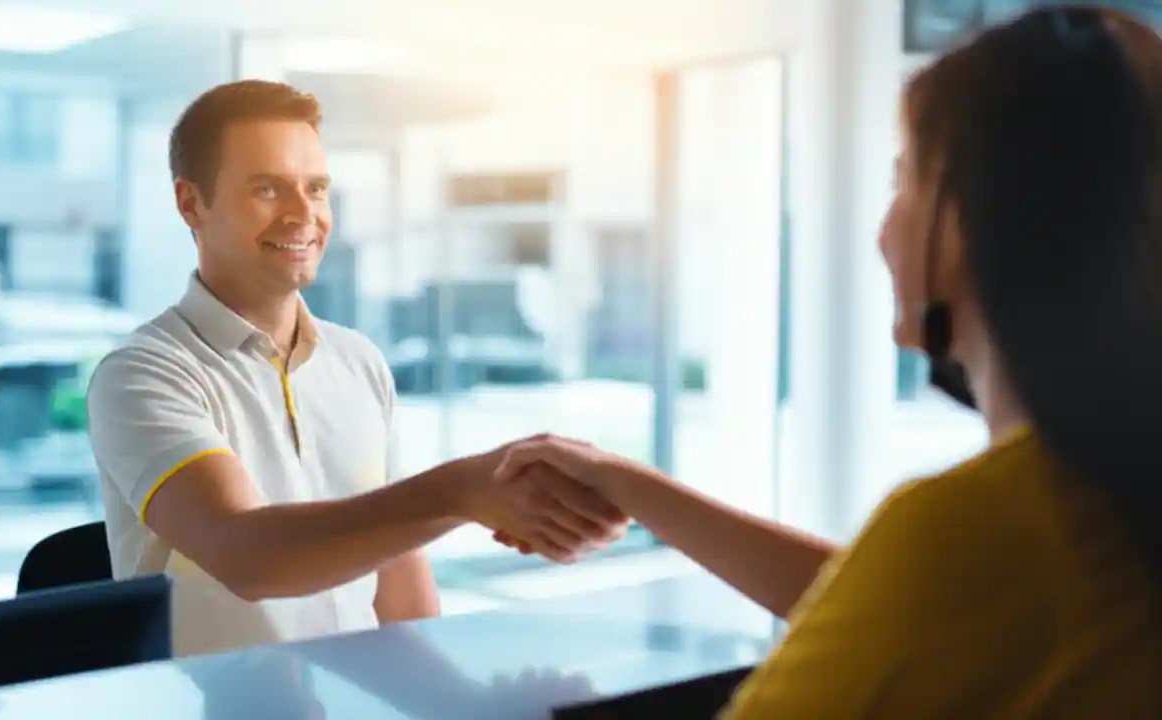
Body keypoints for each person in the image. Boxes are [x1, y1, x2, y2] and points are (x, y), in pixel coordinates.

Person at [495, 6, 1162, 717]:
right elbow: (887, 599)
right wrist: (627, 484)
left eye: (904, 180)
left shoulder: (975, 531)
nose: (885, 227)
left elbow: (925, 581)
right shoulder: (1095, 498)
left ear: (968, 220)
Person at [85, 80, 626, 657]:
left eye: (316, 188)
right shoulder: (142, 375)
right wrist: (460, 491)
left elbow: (403, 595)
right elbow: (246, 556)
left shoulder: (358, 361)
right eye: (267, 189)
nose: (303, 215)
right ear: (192, 203)